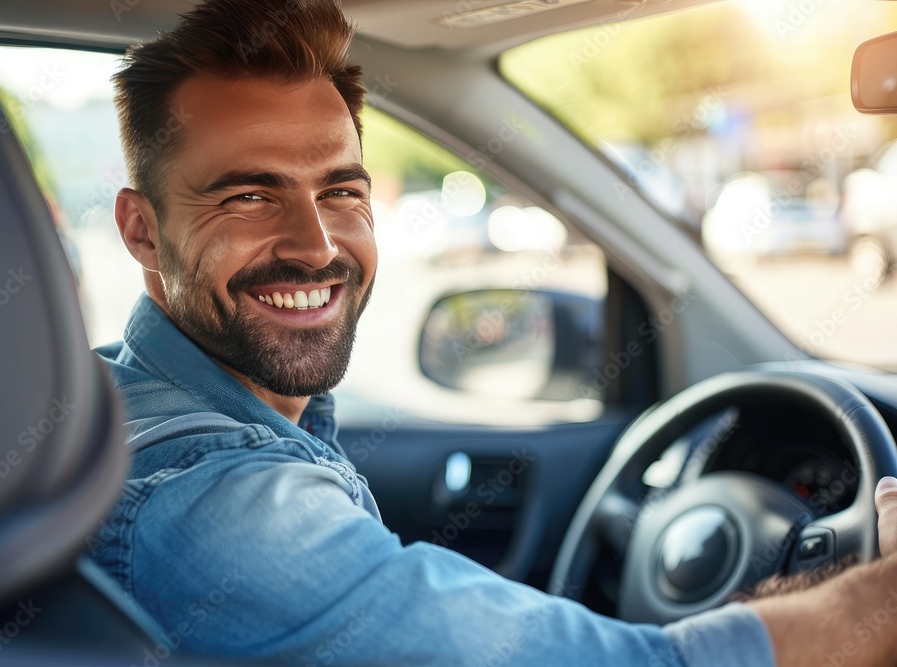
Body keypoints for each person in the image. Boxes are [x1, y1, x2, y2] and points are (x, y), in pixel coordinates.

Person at [89, 0, 897, 664]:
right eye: (247, 197)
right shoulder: (211, 497)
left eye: (341, 191)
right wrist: (873, 595)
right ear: (143, 232)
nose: (318, 245)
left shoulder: (108, 402)